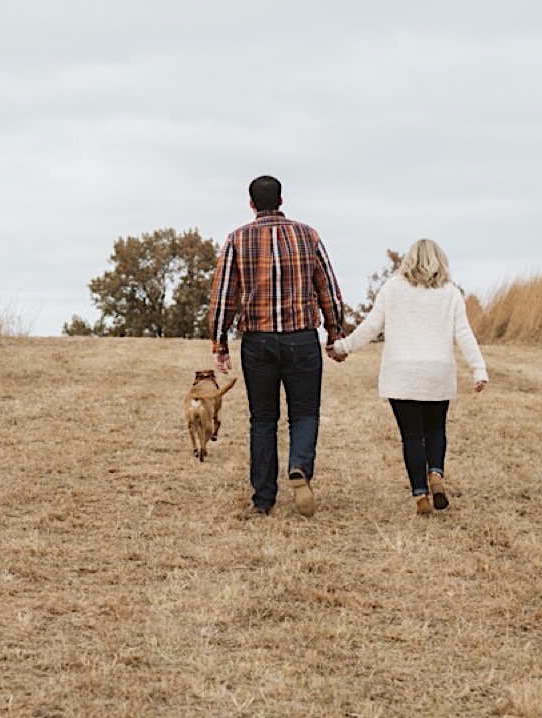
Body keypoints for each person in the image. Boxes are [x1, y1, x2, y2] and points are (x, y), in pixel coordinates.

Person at [209, 175, 348, 517]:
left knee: (263, 419)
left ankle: (263, 498)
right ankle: (299, 466)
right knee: (304, 412)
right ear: (281, 200)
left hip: (257, 342)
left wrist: (219, 341)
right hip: (301, 338)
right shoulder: (308, 235)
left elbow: (224, 295)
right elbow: (327, 287)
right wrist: (334, 330)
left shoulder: (237, 239)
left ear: (251, 203)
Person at [329, 238, 488, 516]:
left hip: (402, 374)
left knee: (412, 436)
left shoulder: (392, 288)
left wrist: (343, 347)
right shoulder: (450, 293)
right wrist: (478, 369)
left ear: (409, 261)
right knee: (436, 428)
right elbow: (463, 333)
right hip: (437, 372)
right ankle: (435, 474)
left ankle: (420, 496)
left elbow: (371, 326)